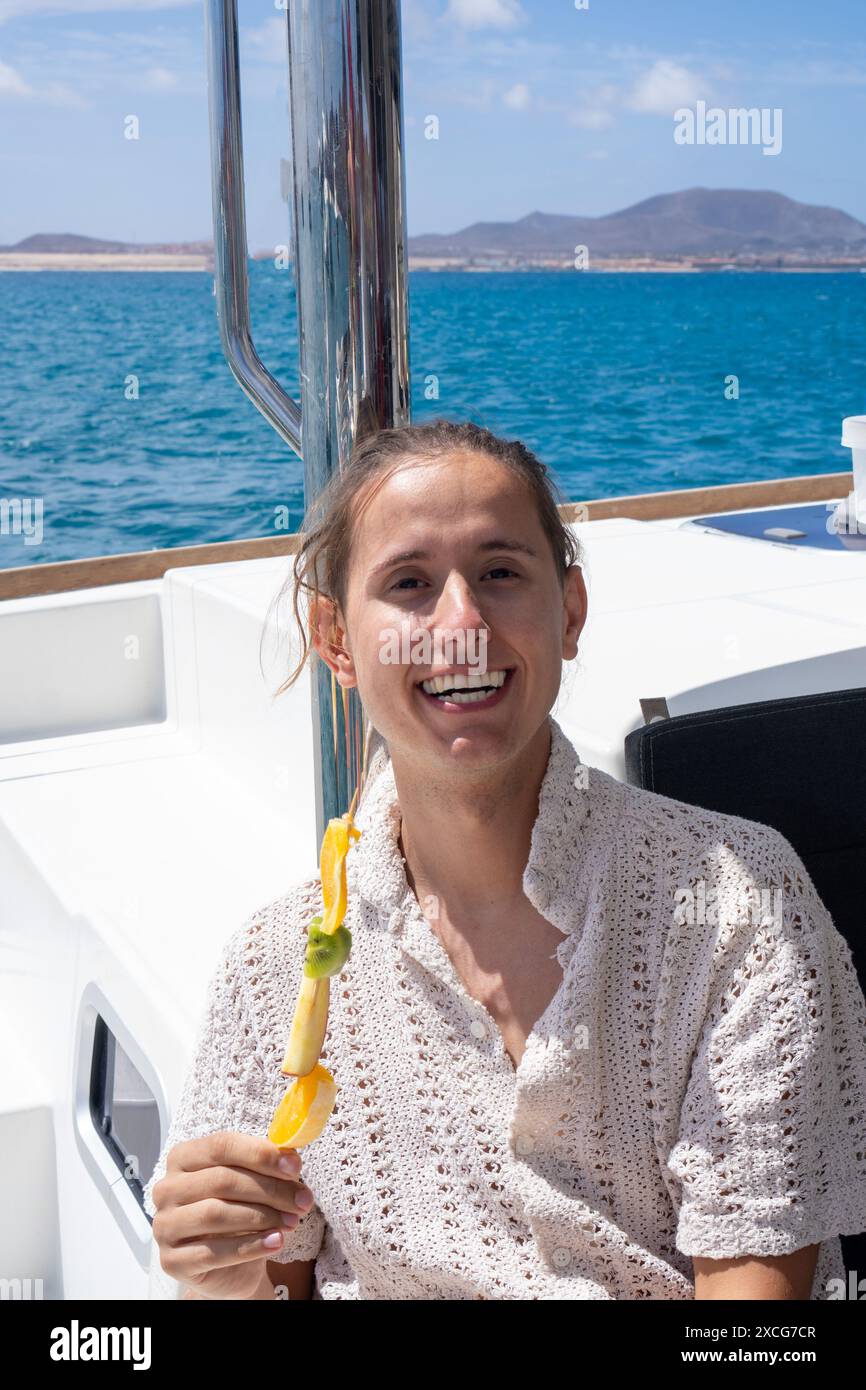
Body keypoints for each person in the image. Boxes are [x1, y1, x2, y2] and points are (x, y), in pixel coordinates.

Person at [143, 419, 866, 1300]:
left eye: (499, 573)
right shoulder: (271, 971)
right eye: (409, 583)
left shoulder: (736, 911)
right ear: (336, 638)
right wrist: (222, 1275)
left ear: (569, 610)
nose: (461, 624)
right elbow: (270, 1285)